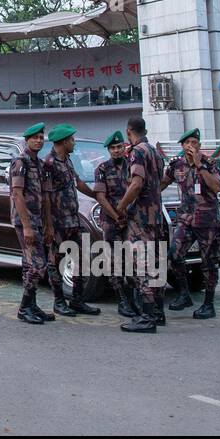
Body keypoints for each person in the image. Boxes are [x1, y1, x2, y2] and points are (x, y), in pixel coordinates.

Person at [161, 129, 220, 318]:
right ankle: (184, 294)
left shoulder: (209, 163)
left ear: (199, 145)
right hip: (186, 219)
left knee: (208, 263)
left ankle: (208, 304)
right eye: (187, 142)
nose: (191, 146)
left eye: (194, 142)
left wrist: (200, 166)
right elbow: (162, 183)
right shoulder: (176, 165)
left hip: (207, 221)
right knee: (174, 254)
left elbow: (216, 187)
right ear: (182, 146)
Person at [115, 116, 168, 334]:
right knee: (155, 264)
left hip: (141, 218)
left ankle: (147, 317)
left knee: (143, 265)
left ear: (129, 131)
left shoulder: (137, 152)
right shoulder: (155, 152)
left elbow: (136, 184)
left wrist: (121, 206)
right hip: (155, 216)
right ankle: (156, 312)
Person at [42, 124, 101, 317]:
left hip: (73, 220)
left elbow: (78, 183)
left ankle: (77, 300)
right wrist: (49, 224)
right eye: (72, 140)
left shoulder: (67, 160)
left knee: (83, 257)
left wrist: (96, 196)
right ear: (64, 141)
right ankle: (59, 301)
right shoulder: (49, 164)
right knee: (56, 261)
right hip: (58, 222)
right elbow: (46, 196)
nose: (74, 143)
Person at [9, 123, 55, 324]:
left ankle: (32, 306)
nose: (38, 140)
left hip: (37, 220)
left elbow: (44, 197)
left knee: (30, 264)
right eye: (34, 137)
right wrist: (27, 226)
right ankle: (24, 308)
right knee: (37, 265)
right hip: (24, 221)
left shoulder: (40, 164)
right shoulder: (21, 162)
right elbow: (17, 195)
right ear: (26, 140)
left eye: (41, 137)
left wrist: (48, 225)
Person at [93, 130, 136, 317]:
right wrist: (117, 215)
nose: (117, 151)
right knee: (115, 260)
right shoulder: (102, 169)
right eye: (113, 148)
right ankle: (121, 300)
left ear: (124, 147)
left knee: (133, 258)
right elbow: (100, 197)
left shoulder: (132, 166)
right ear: (108, 150)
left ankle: (134, 298)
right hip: (111, 220)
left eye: (119, 147)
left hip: (131, 219)